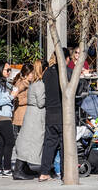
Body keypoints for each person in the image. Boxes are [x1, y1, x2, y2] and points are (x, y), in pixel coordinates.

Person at [12, 60, 46, 180]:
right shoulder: (21, 84)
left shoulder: (30, 84)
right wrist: (30, 100)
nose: (32, 75)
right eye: (30, 73)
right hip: (21, 115)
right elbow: (16, 98)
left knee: (25, 141)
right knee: (25, 141)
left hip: (27, 115)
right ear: (25, 74)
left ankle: (23, 167)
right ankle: (19, 169)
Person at [40, 51, 65, 181]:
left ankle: (44, 172)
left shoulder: (47, 72)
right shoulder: (66, 72)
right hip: (62, 113)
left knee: (49, 143)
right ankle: (64, 172)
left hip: (50, 112)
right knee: (64, 144)